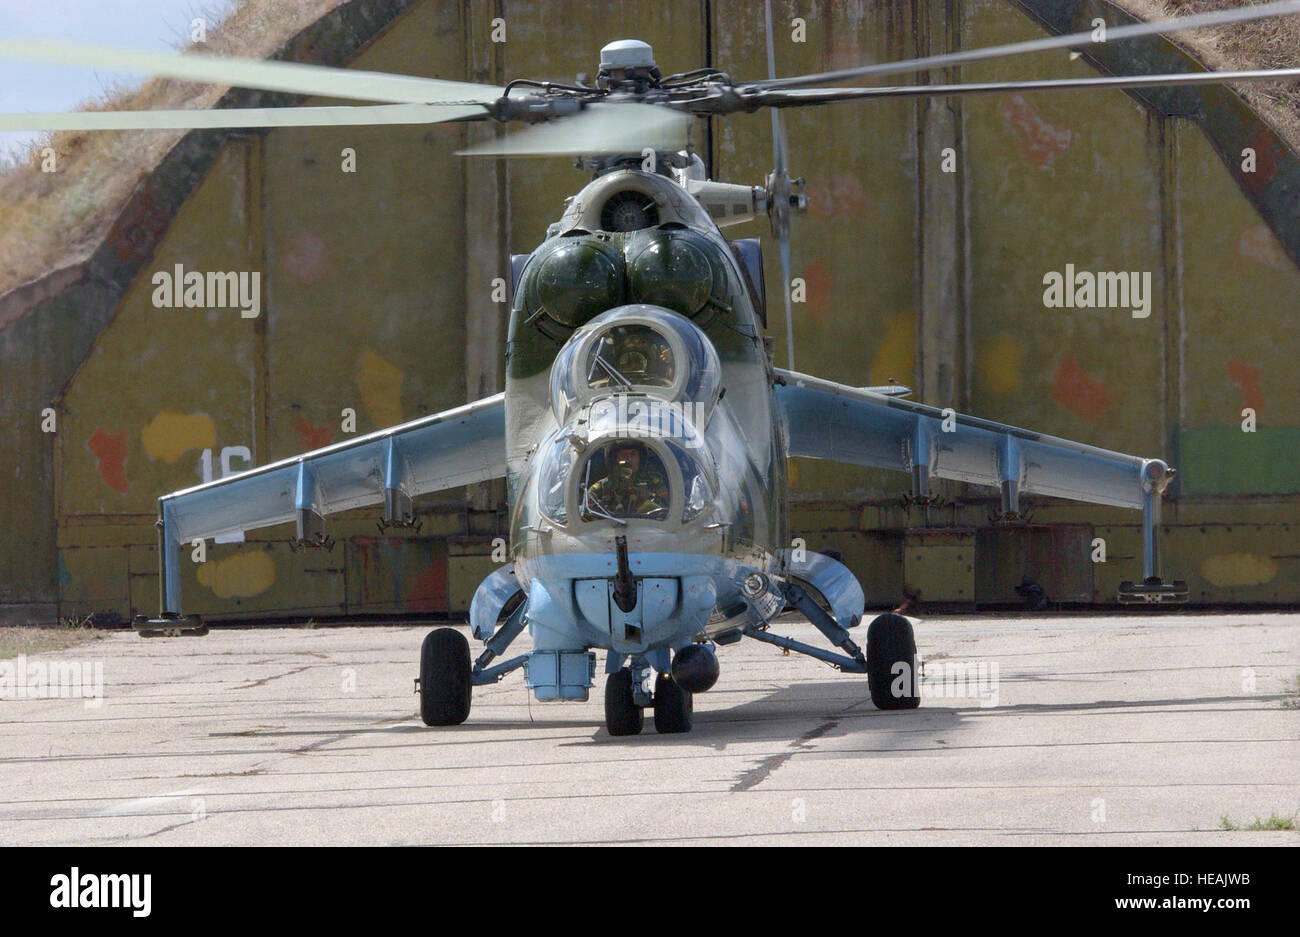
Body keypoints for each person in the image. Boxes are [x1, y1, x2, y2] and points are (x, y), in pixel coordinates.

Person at [585, 444, 669, 518]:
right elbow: (587, 510)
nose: (629, 459)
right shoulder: (603, 485)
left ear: (640, 458)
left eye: (633, 454)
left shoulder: (653, 481)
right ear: (615, 460)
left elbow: (667, 508)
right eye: (624, 455)